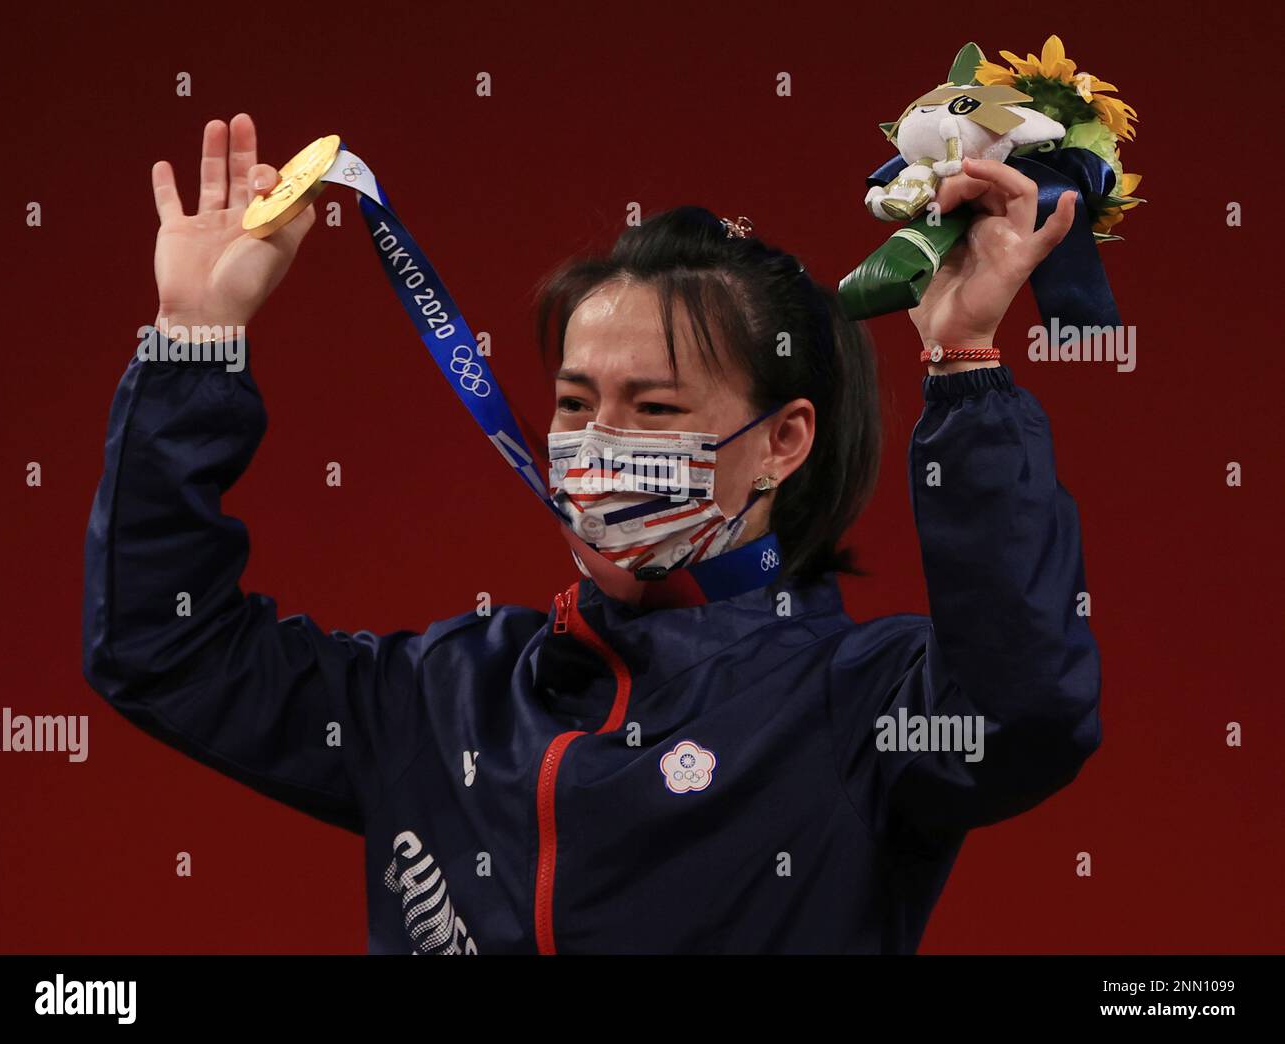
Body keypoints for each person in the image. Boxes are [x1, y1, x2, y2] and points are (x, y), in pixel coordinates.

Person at [82, 112, 1101, 954]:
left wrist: (965, 362)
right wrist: (193, 342)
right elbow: (162, 646)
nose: (598, 444)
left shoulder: (856, 707)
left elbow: (1028, 713)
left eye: (652, 409)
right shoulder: (444, 699)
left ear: (783, 441)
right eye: (574, 403)